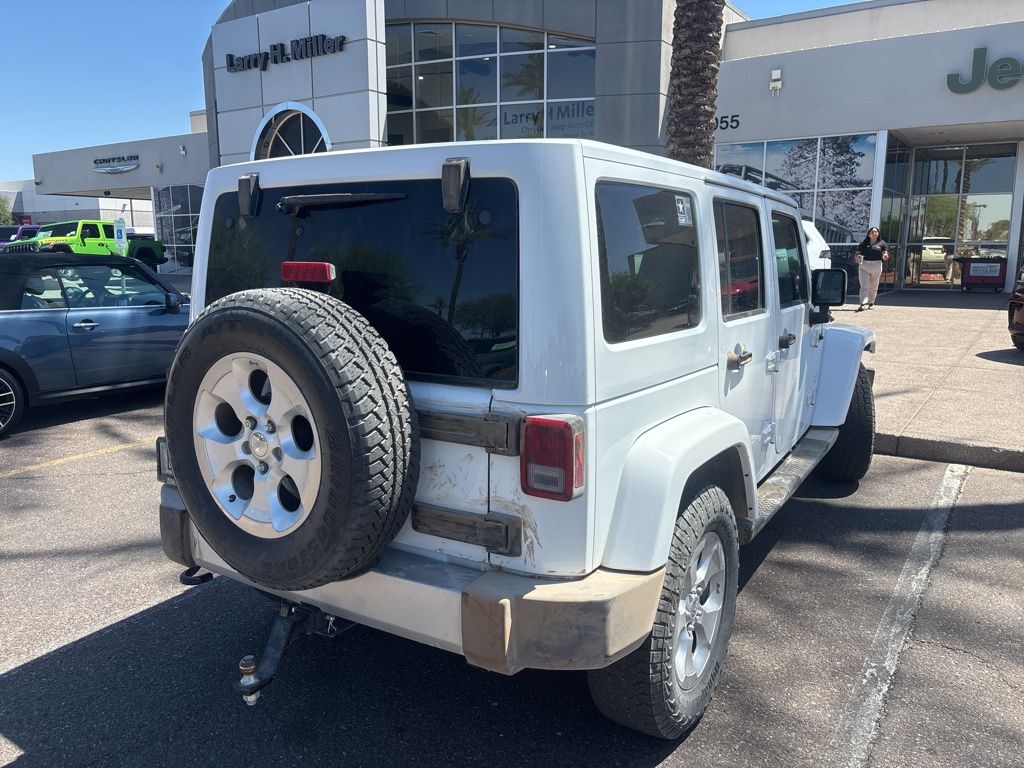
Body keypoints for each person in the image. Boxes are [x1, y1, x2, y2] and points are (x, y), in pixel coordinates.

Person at [855, 226, 889, 310]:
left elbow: (885, 253)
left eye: (876, 232)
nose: (874, 233)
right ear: (869, 234)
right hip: (864, 265)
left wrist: (885, 256)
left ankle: (871, 302)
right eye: (872, 232)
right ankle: (863, 303)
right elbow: (857, 254)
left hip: (876, 265)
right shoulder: (863, 244)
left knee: (873, 286)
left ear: (878, 234)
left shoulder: (882, 243)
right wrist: (858, 256)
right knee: (864, 285)